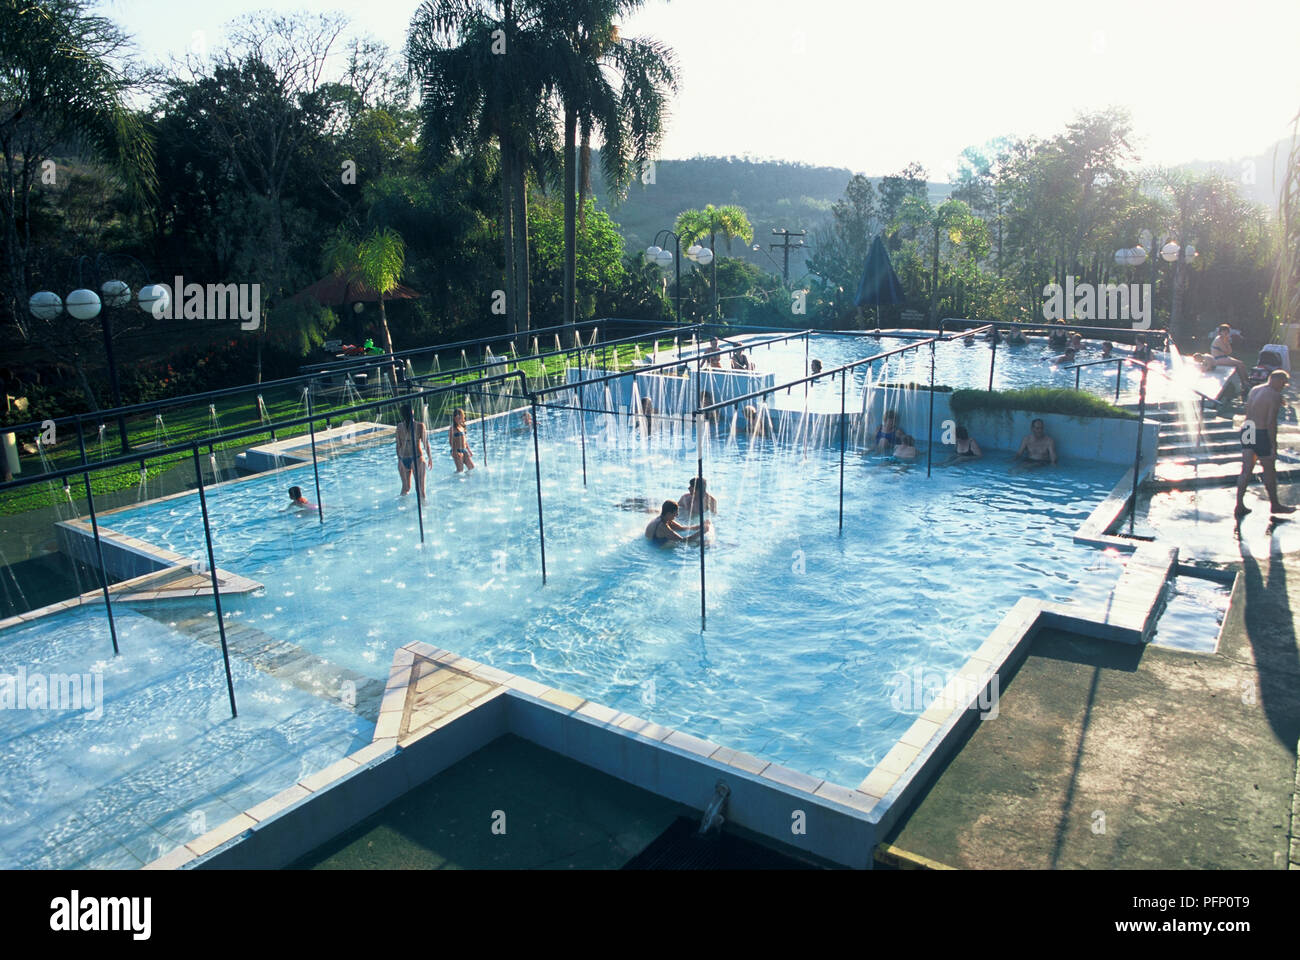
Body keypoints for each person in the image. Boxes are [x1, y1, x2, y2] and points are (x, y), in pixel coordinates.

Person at [1235, 370, 1295, 517]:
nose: (1283, 387)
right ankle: (1275, 505)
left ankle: (1239, 505)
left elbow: (1247, 410)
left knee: (1246, 469)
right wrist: (1273, 445)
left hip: (1248, 428)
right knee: (1269, 469)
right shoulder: (1274, 395)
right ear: (1277, 380)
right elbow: (1270, 423)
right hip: (1261, 432)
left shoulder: (1255, 390)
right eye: (1283, 384)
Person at [395, 403, 431, 500]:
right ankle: (424, 509)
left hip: (403, 459)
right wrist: (430, 458)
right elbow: (425, 443)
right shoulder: (420, 426)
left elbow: (398, 446)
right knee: (420, 490)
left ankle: (401, 509)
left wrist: (399, 460)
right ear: (412, 412)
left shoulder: (399, 427)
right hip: (417, 459)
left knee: (405, 489)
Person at [644, 500, 710, 543]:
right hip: (657, 548)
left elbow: (682, 528)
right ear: (669, 513)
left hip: (654, 541)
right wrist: (702, 532)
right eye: (675, 513)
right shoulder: (663, 527)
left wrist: (701, 525)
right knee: (700, 544)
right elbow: (683, 541)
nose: (677, 515)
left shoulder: (663, 518)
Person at [450, 407, 476, 472]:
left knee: (471, 467)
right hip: (457, 451)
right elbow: (451, 441)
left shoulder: (462, 427)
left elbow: (465, 441)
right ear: (455, 418)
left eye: (460, 417)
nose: (460, 419)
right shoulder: (453, 428)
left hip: (464, 450)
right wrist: (454, 451)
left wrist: (469, 450)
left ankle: (467, 480)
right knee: (460, 470)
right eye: (458, 417)